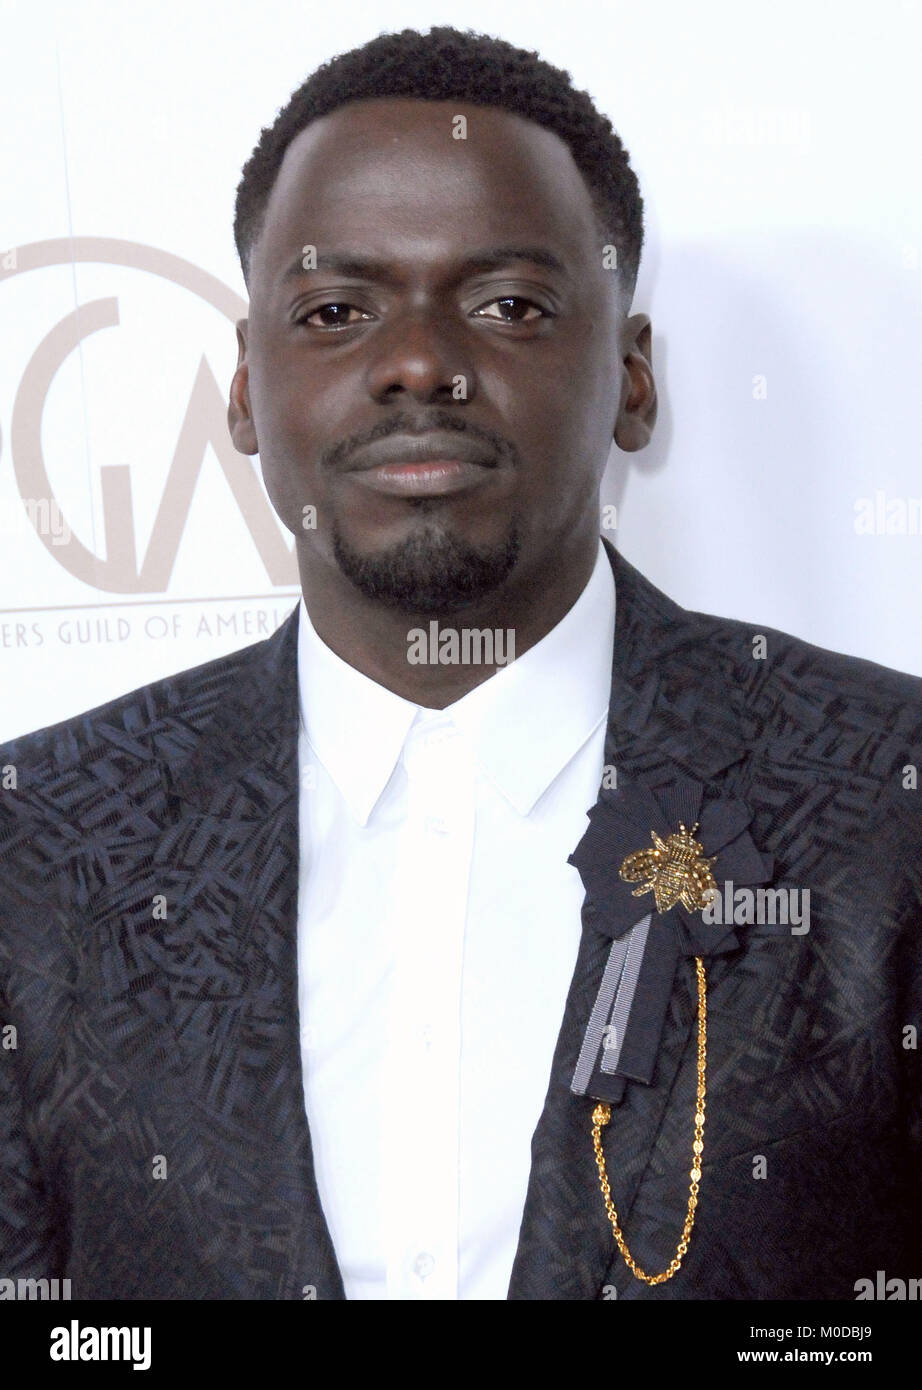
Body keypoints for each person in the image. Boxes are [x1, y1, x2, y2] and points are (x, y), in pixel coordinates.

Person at [1, 25, 919, 1302]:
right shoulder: (38, 843)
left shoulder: (887, 800)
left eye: (507, 306)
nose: (418, 363)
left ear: (632, 378)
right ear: (247, 391)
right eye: (334, 311)